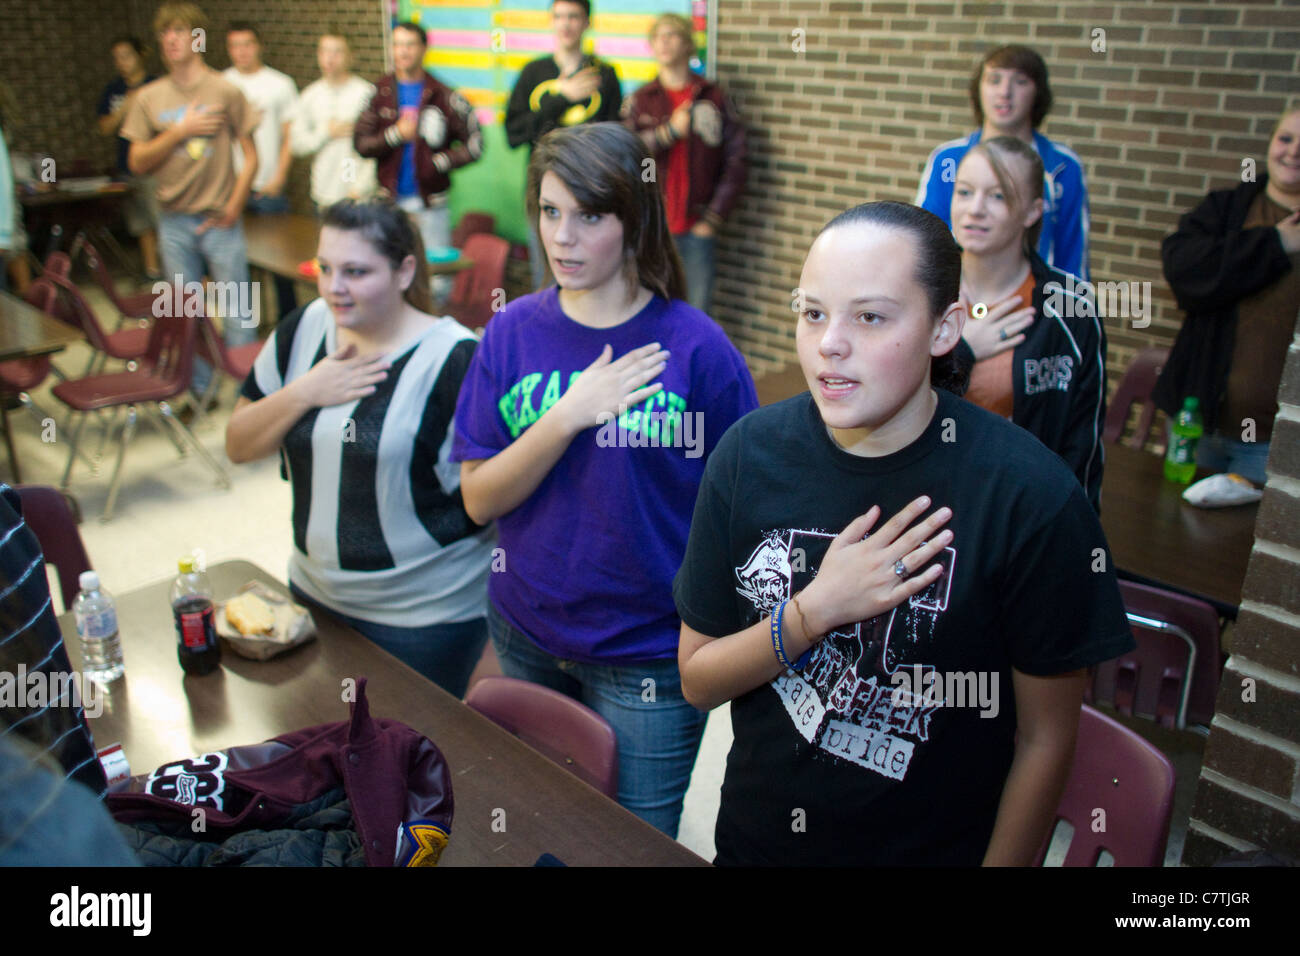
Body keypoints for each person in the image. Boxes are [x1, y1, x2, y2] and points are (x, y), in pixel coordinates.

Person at [672, 201, 1133, 866]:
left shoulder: (1032, 497)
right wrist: (810, 614)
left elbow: (1046, 740)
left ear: (945, 329)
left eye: (871, 316)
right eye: (813, 313)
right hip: (759, 844)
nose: (830, 342)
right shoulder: (749, 455)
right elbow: (698, 680)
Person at [451, 122, 757, 837]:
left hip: (646, 657)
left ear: (634, 218)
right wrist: (567, 416)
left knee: (630, 849)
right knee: (524, 825)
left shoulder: (697, 350)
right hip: (524, 630)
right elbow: (476, 500)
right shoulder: (511, 331)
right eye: (551, 212)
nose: (564, 237)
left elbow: (746, 517)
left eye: (590, 216)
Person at [225, 199, 494, 698]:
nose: (333, 287)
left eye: (356, 271)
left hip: (424, 622)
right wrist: (305, 391)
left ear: (404, 270)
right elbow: (239, 444)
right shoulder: (304, 330)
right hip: (313, 598)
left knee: (409, 764)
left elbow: (500, 504)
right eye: (325, 268)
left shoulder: (456, 359)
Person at [950, 136, 1106, 510]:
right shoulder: (918, 288)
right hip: (925, 510)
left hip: (1020, 515)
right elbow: (887, 405)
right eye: (965, 192)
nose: (975, 209)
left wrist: (1077, 539)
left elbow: (1082, 447)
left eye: (999, 196)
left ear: (1033, 211)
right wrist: (963, 351)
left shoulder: (1072, 308)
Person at [1151, 105, 1300, 487]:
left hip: (1272, 443)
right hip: (1197, 424)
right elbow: (1184, 270)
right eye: (1286, 138)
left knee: (1241, 543)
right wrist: (1275, 243)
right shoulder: (1226, 208)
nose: (1294, 151)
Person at [122, 1, 259, 402]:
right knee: (185, 313)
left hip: (221, 219)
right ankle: (199, 390)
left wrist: (235, 203)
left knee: (237, 310)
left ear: (198, 38)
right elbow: (137, 162)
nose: (170, 39)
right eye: (165, 33)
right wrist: (180, 131)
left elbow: (251, 156)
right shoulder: (149, 96)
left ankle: (246, 398)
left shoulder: (226, 90)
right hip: (173, 222)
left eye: (179, 31)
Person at [916, 44, 1090, 280]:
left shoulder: (1063, 165)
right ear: (978, 89)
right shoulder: (947, 159)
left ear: (1038, 91)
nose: (1004, 92)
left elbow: (1073, 255)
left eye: (1020, 81)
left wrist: (1067, 313)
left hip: (1035, 302)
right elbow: (924, 242)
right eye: (994, 80)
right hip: (958, 298)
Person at [621, 13, 746, 315]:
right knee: (646, 310)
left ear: (688, 44)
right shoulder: (641, 99)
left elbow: (737, 159)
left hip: (696, 225)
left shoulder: (712, 97)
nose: (664, 42)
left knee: (695, 313)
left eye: (673, 35)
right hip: (652, 227)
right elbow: (625, 155)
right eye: (658, 36)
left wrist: (714, 218)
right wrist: (669, 133)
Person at [505, 0, 622, 289]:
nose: (566, 23)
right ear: (551, 21)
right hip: (542, 191)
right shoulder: (533, 72)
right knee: (545, 278)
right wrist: (561, 98)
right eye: (559, 16)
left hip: (592, 192)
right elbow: (515, 134)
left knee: (592, 279)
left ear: (587, 22)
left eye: (574, 16)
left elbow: (615, 140)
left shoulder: (604, 75)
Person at [354, 21, 483, 260]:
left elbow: (476, 143)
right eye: (397, 45)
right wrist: (395, 135)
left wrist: (439, 162)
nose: (403, 51)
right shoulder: (378, 92)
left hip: (432, 204)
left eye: (410, 44)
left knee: (436, 278)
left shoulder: (444, 95)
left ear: (424, 48)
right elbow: (361, 144)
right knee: (390, 269)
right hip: (389, 202)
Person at [223, 21, 299, 318]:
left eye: (247, 44)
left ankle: (288, 323)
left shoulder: (280, 84)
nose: (241, 52)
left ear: (258, 46)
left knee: (281, 261)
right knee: (237, 262)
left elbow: (290, 134)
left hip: (269, 186)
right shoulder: (222, 83)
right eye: (234, 46)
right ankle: (247, 326)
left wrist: (280, 176)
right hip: (232, 190)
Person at [95, 36, 163, 279]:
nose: (121, 63)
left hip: (155, 166)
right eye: (117, 58)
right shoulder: (113, 91)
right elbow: (104, 127)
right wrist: (126, 104)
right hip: (127, 165)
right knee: (140, 223)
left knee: (162, 220)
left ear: (139, 56)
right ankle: (152, 271)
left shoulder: (157, 85)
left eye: (126, 56)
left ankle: (178, 274)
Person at [290, 31, 378, 212]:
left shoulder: (365, 94)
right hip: (322, 195)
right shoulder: (310, 95)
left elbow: (376, 149)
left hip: (357, 196)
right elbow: (297, 144)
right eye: (325, 51)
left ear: (350, 56)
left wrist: (359, 188)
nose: (330, 58)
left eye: (337, 52)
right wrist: (326, 133)